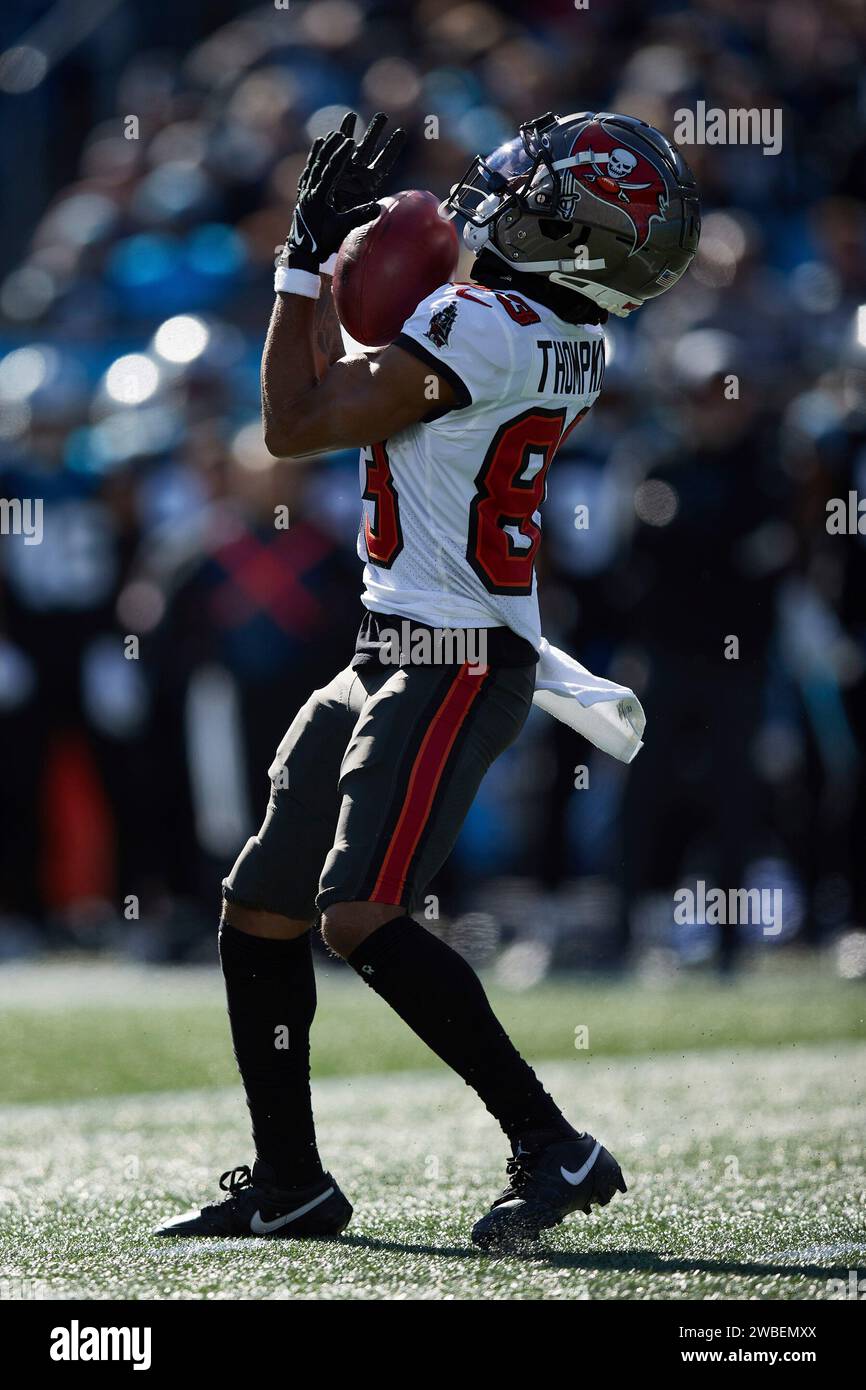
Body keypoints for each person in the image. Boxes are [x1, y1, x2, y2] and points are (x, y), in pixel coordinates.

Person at [156, 109, 700, 1247]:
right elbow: (357, 393)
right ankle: (290, 1179)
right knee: (262, 903)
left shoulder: (476, 324)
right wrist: (332, 288)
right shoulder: (556, 336)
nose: (500, 188)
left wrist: (301, 271)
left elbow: (291, 422)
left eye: (534, 187)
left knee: (356, 913)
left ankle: (552, 1144)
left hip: (451, 659)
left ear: (570, 235)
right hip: (391, 645)